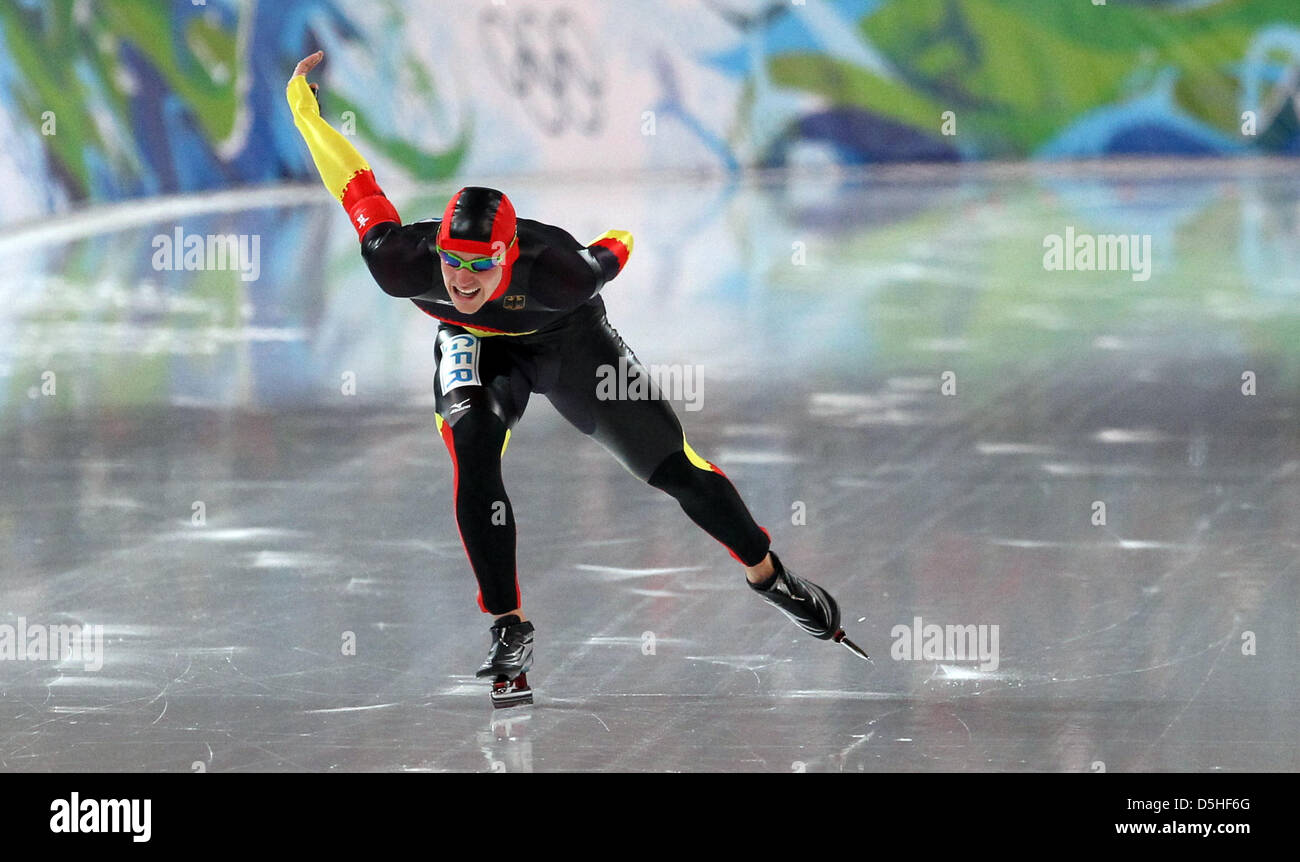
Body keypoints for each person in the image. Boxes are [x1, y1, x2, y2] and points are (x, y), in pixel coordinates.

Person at [285, 51, 865, 707]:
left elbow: (614, 247)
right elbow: (355, 187)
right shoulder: (402, 263)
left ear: (507, 255)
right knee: (471, 450)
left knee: (674, 468)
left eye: (478, 265)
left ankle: (772, 578)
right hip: (477, 349)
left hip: (570, 342)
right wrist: (305, 113)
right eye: (453, 262)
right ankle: (508, 626)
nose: (461, 279)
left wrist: (618, 239)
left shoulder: (560, 271)